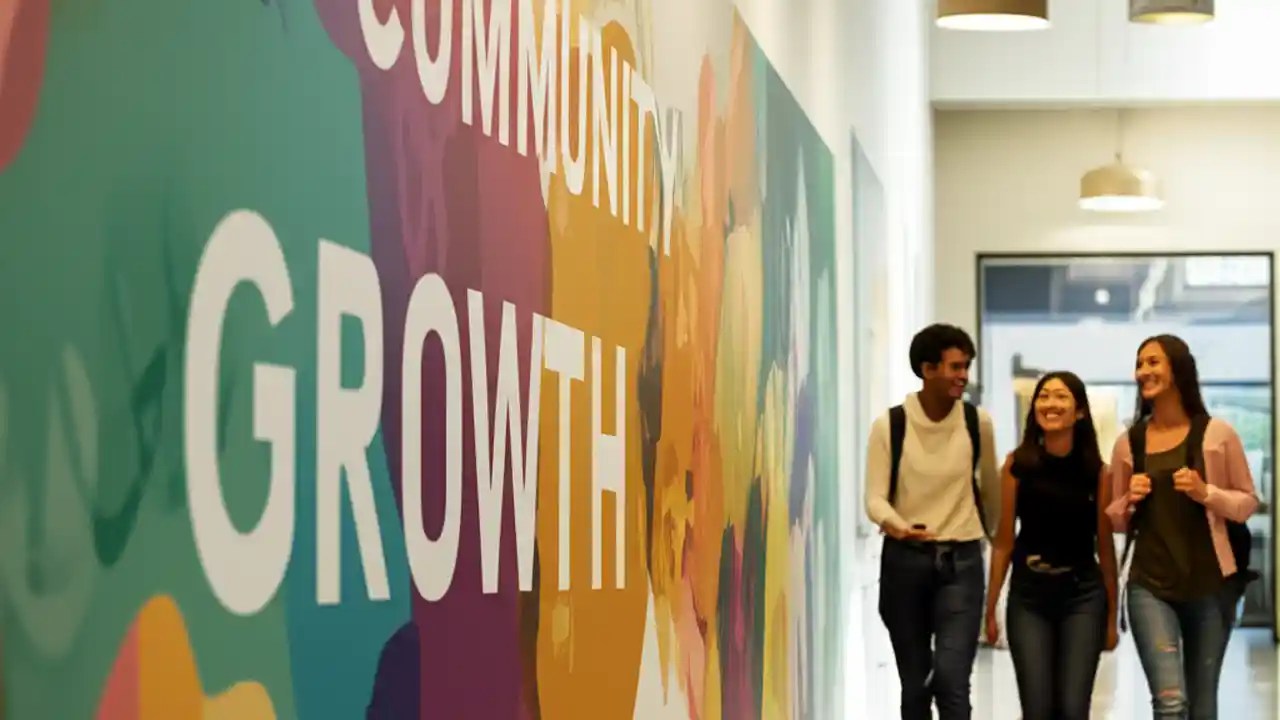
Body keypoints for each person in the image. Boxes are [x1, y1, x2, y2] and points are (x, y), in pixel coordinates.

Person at [1105, 334, 1259, 719]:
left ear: (1178, 368)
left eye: (1153, 362)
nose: (1143, 371)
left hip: (1211, 585)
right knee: (1170, 702)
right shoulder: (1130, 443)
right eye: (1140, 363)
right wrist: (1129, 499)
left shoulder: (1217, 435)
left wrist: (1206, 492)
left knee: (1202, 706)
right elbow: (1115, 518)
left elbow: (1246, 503)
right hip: (1149, 586)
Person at [865, 323, 1000, 720]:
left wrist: (986, 538)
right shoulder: (890, 425)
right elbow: (874, 495)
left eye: (967, 367)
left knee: (951, 679)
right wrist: (895, 522)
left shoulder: (978, 424)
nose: (963, 376)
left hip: (962, 562)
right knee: (916, 683)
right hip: (905, 561)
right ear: (927, 369)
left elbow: (990, 491)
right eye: (955, 367)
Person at [984, 371, 1118, 720]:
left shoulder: (1098, 472)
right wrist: (991, 606)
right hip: (1030, 596)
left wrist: (1111, 616)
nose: (1050, 403)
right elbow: (1003, 542)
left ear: (1080, 412)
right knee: (1038, 710)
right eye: (1043, 396)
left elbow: (1104, 548)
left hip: (1083, 596)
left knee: (1074, 710)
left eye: (1061, 396)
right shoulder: (1017, 465)